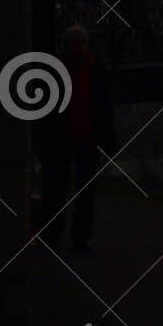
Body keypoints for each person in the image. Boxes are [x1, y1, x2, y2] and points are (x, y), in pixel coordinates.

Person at [37, 25, 115, 252]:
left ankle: (74, 237)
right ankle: (57, 235)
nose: (79, 48)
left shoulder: (89, 70)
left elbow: (105, 108)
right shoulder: (92, 70)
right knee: (56, 189)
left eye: (82, 44)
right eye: (76, 44)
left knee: (77, 189)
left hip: (83, 137)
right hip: (63, 138)